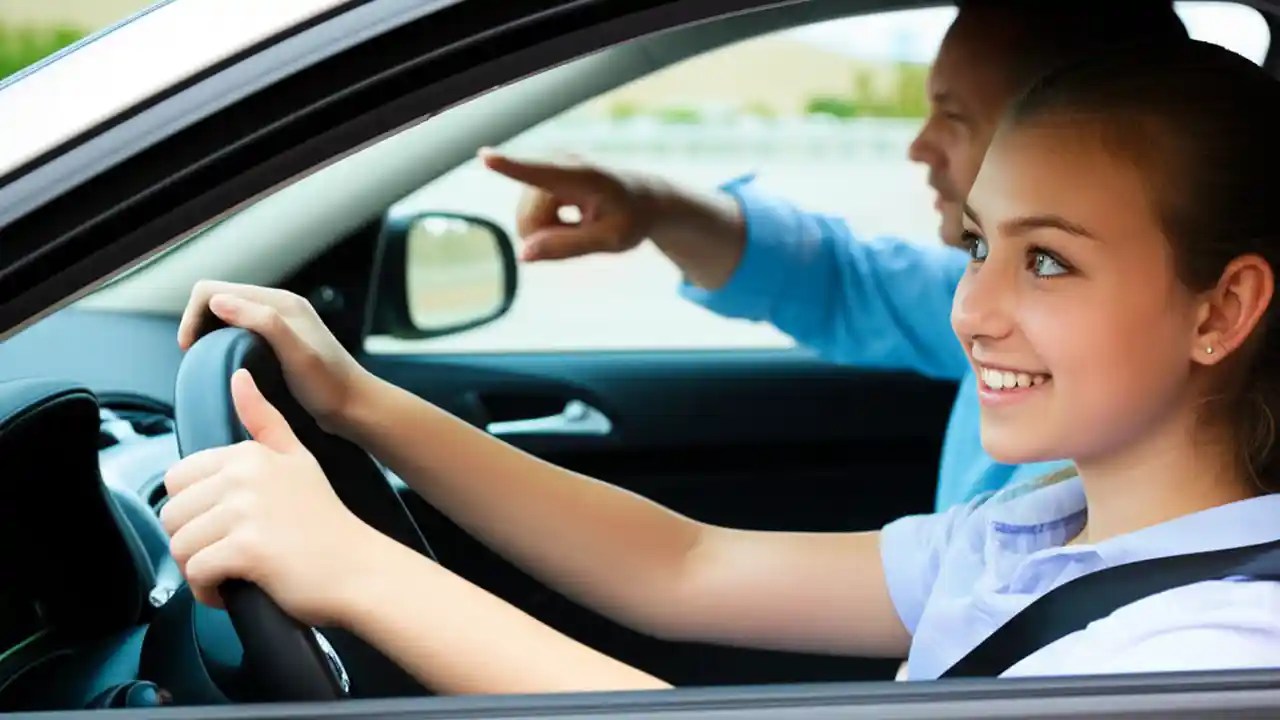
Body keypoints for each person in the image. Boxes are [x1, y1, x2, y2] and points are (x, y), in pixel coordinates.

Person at [164, 38, 1280, 694]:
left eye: (1045, 261)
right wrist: (359, 402)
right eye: (978, 245)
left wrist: (354, 569)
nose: (970, 308)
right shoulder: (1032, 530)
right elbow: (681, 566)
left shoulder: (1211, 647)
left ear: (1218, 308)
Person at [479, 0, 1190, 512]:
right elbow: (841, 279)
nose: (918, 146)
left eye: (954, 114)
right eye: (978, 254)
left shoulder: (1160, 565)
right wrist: (655, 205)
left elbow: (687, 573)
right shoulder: (977, 547)